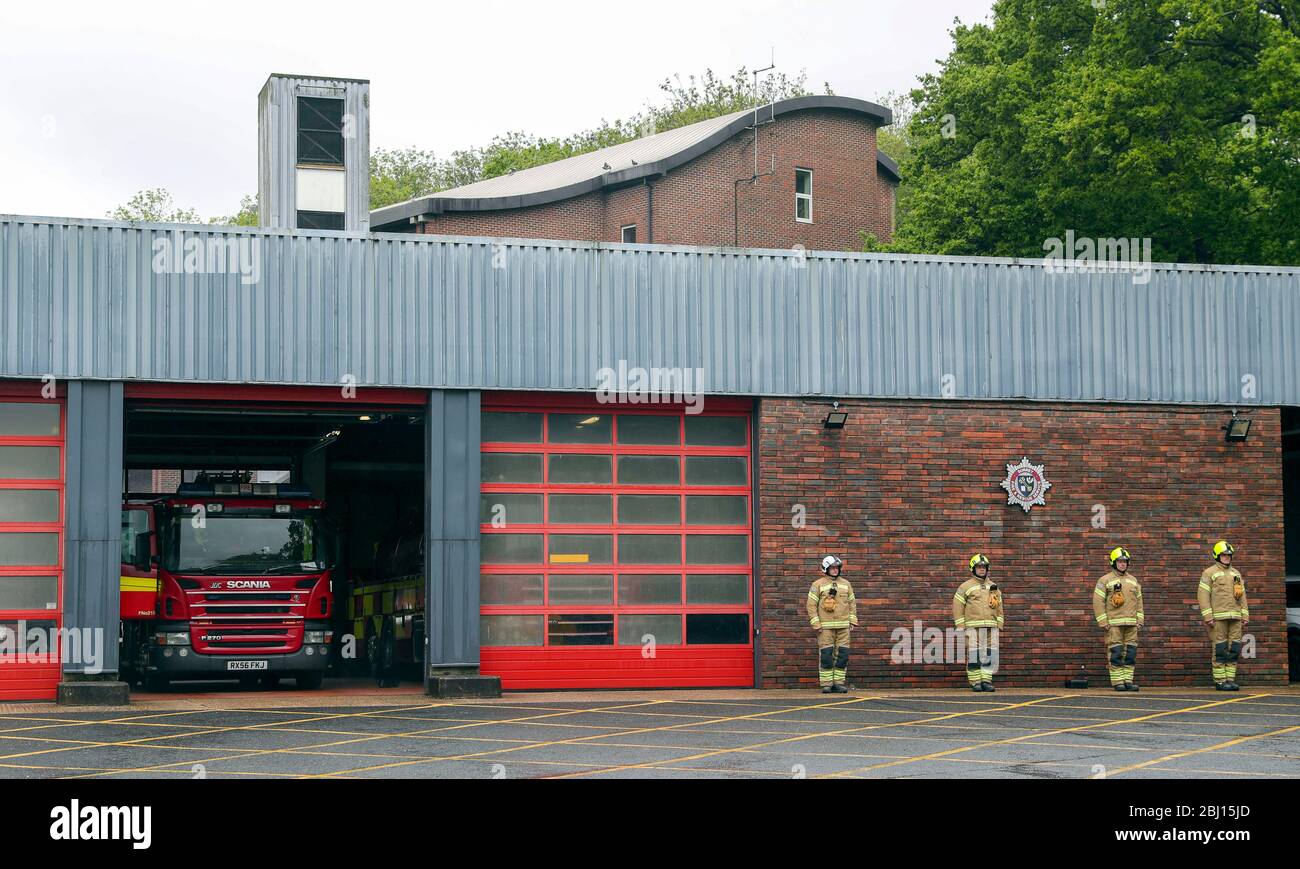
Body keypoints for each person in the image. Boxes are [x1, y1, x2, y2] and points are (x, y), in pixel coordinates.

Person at [1199, 541, 1250, 691]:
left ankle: (1230, 679)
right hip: (1218, 618)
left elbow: (1242, 596)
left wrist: (1245, 615)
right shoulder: (1209, 573)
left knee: (1234, 648)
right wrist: (1208, 616)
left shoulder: (1236, 574)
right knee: (1220, 648)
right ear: (1217, 555)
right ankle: (1220, 681)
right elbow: (1203, 595)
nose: (1227, 557)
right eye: (1224, 555)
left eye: (1229, 555)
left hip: (1235, 617)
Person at [1092, 547, 1144, 691]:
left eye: (1125, 562)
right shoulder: (1104, 580)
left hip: (1131, 624)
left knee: (1130, 653)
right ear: (1113, 563)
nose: (1123, 564)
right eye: (1120, 562)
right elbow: (1098, 601)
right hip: (1114, 624)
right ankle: (1118, 682)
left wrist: (1139, 620)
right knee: (1116, 652)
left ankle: (1128, 681)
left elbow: (1139, 602)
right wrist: (1103, 622)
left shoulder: (1133, 580)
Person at [806, 555, 858, 693]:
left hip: (843, 627)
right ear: (825, 568)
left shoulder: (846, 584)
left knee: (842, 656)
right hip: (825, 628)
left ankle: (839, 683)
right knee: (826, 655)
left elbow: (852, 603)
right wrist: (816, 623)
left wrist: (852, 621)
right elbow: (811, 605)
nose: (835, 570)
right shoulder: (817, 585)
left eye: (837, 568)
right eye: (832, 568)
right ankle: (827, 684)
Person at [953, 554, 1005, 692]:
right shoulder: (965, 587)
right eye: (979, 567)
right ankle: (975, 682)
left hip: (991, 627)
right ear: (973, 569)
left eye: (984, 567)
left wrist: (999, 624)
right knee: (974, 654)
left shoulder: (994, 587)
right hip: (972, 627)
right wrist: (960, 626)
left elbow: (999, 607)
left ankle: (986, 681)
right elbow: (958, 607)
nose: (982, 569)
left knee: (990, 654)